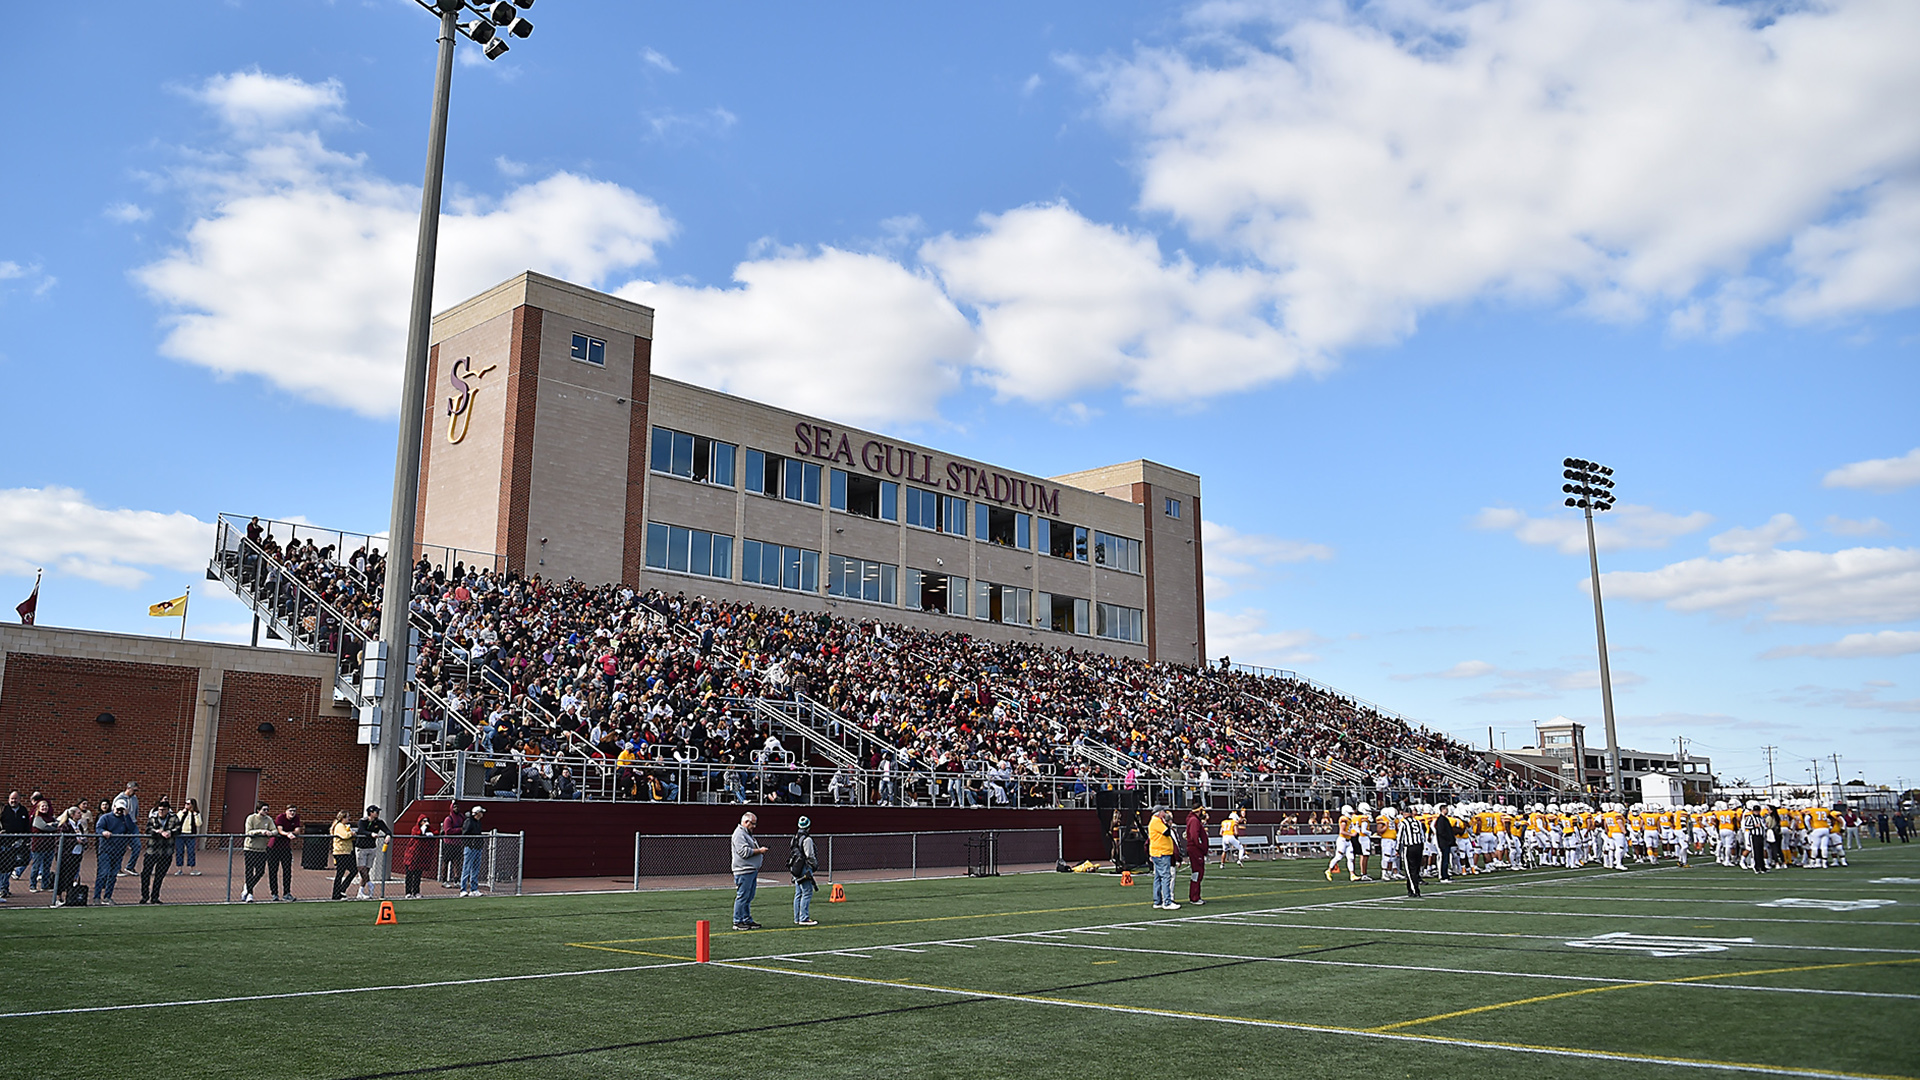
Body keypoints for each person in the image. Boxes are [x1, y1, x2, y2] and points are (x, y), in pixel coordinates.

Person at [731, 812, 768, 929]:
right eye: (753, 824)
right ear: (746, 822)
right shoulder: (739, 834)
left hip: (750, 870)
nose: (754, 827)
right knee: (742, 896)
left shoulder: (746, 833)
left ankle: (746, 919)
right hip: (743, 870)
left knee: (748, 896)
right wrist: (760, 851)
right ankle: (737, 921)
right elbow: (744, 852)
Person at [95, 800, 135, 905]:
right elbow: (98, 828)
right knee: (103, 873)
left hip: (119, 851)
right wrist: (103, 832)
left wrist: (127, 816)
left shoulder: (125, 818)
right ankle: (97, 897)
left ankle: (107, 897)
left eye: (122, 809)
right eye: (118, 809)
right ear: (114, 807)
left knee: (113, 875)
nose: (119, 811)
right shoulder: (105, 817)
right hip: (106, 849)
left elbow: (131, 828)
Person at [140, 799, 178, 904]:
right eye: (160, 810)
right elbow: (148, 829)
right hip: (152, 851)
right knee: (145, 874)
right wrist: (158, 832)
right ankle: (144, 896)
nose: (161, 812)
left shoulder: (174, 819)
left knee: (159, 876)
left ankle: (155, 897)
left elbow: (178, 829)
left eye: (163, 810)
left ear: (168, 810)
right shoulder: (153, 819)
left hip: (166, 852)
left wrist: (170, 832)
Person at [352, 805, 393, 900]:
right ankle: (370, 884)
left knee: (367, 869)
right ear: (370, 812)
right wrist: (371, 834)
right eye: (376, 811)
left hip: (371, 848)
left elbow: (387, 830)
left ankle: (360, 891)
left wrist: (388, 835)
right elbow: (361, 830)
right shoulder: (363, 821)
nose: (377, 813)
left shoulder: (379, 822)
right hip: (361, 847)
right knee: (361, 868)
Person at [1147, 807, 1179, 910]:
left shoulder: (1155, 821)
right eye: (1163, 812)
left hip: (1158, 852)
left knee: (1158, 877)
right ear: (1159, 812)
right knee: (1166, 876)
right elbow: (1166, 832)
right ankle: (1167, 902)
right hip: (1161, 853)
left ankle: (1158, 901)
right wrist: (1167, 823)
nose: (1165, 813)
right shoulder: (1156, 821)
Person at [789, 816, 819, 926]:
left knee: (798, 893)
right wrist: (814, 865)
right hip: (804, 867)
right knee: (807, 892)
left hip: (796, 867)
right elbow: (809, 855)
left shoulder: (795, 837)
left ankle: (797, 917)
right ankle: (804, 918)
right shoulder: (807, 839)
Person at [242, 801, 274, 902]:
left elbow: (275, 830)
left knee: (260, 871)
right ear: (258, 810)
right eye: (264, 809)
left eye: (267, 810)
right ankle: (250, 894)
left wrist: (270, 832)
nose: (266, 811)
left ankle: (247, 887)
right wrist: (260, 831)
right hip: (250, 848)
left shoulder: (268, 820)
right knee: (249, 871)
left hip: (262, 849)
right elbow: (248, 832)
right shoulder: (251, 818)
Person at [398, 817, 437, 898]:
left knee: (418, 875)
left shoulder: (428, 829)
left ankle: (416, 892)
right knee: (409, 875)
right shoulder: (415, 828)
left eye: (427, 821)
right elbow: (417, 834)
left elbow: (435, 832)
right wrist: (423, 831)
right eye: (424, 821)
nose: (426, 823)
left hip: (420, 857)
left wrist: (429, 833)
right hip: (411, 856)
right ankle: (408, 892)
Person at [270, 804, 302, 901]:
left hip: (285, 848)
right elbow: (280, 830)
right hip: (274, 848)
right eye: (290, 811)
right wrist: (287, 834)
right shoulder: (280, 818)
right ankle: (274, 893)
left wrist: (292, 833)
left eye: (294, 811)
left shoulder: (296, 818)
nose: (292, 813)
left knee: (287, 871)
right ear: (286, 811)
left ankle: (287, 893)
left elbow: (297, 830)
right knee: (273, 871)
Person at [1398, 804, 1427, 898]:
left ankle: (1415, 891)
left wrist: (1398, 849)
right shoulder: (1418, 822)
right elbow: (1422, 836)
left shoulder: (1403, 823)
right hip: (1419, 846)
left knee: (1410, 870)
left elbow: (1400, 838)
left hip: (1409, 847)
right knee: (1415, 869)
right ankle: (1410, 890)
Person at [114, 780, 142, 876]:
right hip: (122, 824)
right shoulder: (119, 798)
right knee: (120, 847)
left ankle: (130, 866)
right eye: (134, 790)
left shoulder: (134, 798)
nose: (135, 792)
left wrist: (135, 819)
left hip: (133, 824)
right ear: (128, 788)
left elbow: (136, 811)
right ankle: (117, 868)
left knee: (137, 846)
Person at [459, 806, 487, 896]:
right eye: (481, 812)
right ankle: (463, 889)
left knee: (475, 868)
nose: (482, 814)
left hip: (477, 847)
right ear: (477, 813)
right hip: (470, 847)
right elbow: (465, 834)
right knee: (466, 868)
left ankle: (473, 889)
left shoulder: (478, 822)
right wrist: (469, 844)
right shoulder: (469, 821)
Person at [329, 811, 357, 900]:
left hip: (347, 852)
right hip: (340, 853)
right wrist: (351, 833)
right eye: (347, 817)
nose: (349, 819)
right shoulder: (339, 826)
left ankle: (341, 889)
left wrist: (352, 834)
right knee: (340, 873)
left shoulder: (345, 826)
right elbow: (344, 836)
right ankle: (336, 894)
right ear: (342, 818)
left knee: (353, 870)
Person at [1185, 806, 1209, 906]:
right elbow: (1195, 836)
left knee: (1197, 873)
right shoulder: (1194, 820)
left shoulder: (1193, 820)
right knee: (1197, 872)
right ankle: (1194, 896)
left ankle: (1195, 895)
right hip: (1196, 850)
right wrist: (1201, 847)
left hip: (1195, 849)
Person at [173, 798, 202, 876]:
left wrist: (195, 814)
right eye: (186, 803)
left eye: (188, 804)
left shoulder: (195, 813)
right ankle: (179, 869)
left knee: (191, 851)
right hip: (181, 834)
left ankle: (192, 869)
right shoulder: (182, 812)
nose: (186, 805)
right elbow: (176, 819)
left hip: (190, 835)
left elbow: (198, 823)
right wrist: (182, 812)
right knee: (179, 851)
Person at [1433, 803, 1458, 882]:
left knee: (1446, 859)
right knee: (1444, 859)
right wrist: (1448, 840)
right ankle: (1443, 876)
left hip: (1446, 842)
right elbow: (1441, 832)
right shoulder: (1441, 819)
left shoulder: (1444, 819)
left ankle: (1445, 874)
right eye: (1445, 809)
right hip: (1444, 842)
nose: (1447, 810)